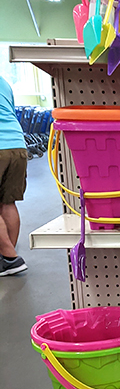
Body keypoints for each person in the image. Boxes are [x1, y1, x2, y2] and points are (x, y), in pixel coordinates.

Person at [0, 75, 28, 275]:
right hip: (17, 144)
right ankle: (9, 260)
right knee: (8, 203)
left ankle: (9, 256)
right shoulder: (4, 82)